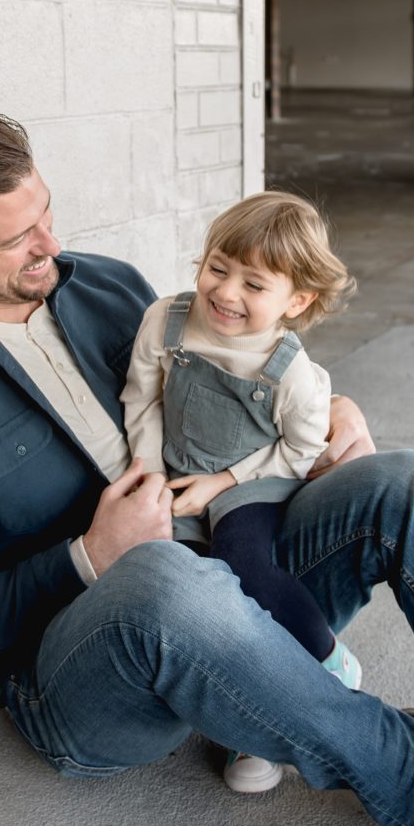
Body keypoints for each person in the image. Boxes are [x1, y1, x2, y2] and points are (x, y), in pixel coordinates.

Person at [0, 104, 414, 826]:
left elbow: (226, 372)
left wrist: (330, 408)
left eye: (46, 215)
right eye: (16, 240)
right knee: (164, 579)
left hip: (222, 553)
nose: (51, 245)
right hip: (81, 674)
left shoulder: (104, 286)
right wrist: (89, 558)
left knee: (402, 483)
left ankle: (264, 696)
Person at [121, 191, 362, 792]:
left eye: (255, 285)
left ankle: (325, 656)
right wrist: (149, 471)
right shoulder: (167, 320)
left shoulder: (292, 374)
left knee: (244, 564)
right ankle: (244, 727)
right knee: (185, 586)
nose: (226, 294)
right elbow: (142, 396)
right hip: (176, 469)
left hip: (253, 479)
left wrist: (223, 482)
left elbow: (299, 449)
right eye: (218, 269)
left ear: (296, 300)